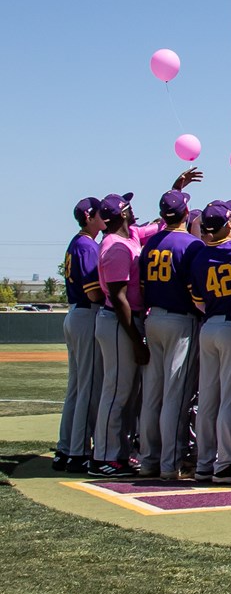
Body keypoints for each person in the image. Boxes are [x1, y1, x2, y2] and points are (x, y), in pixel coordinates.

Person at [137, 190, 200, 480]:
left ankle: (149, 459)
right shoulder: (191, 244)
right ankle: (169, 462)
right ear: (186, 213)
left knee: (152, 395)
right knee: (175, 395)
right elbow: (195, 291)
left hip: (154, 318)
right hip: (180, 320)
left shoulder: (150, 245)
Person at [90, 194, 149, 477]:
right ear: (123, 214)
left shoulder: (128, 237)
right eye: (128, 206)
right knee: (116, 392)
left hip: (125, 321)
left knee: (124, 392)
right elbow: (119, 297)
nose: (133, 208)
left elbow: (160, 223)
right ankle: (104, 457)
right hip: (117, 321)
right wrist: (137, 341)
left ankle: (117, 454)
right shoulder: (115, 247)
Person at [188, 202, 231, 482]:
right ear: (226, 224)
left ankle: (204, 460)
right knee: (230, 399)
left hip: (208, 323)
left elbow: (198, 301)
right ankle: (224, 461)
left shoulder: (199, 255)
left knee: (208, 398)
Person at [55, 197, 105, 474]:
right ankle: (78, 452)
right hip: (86, 313)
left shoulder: (78, 242)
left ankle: (66, 448)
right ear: (90, 217)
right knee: (87, 385)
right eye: (98, 213)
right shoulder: (87, 245)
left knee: (76, 386)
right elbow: (93, 291)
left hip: (76, 314)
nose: (103, 217)